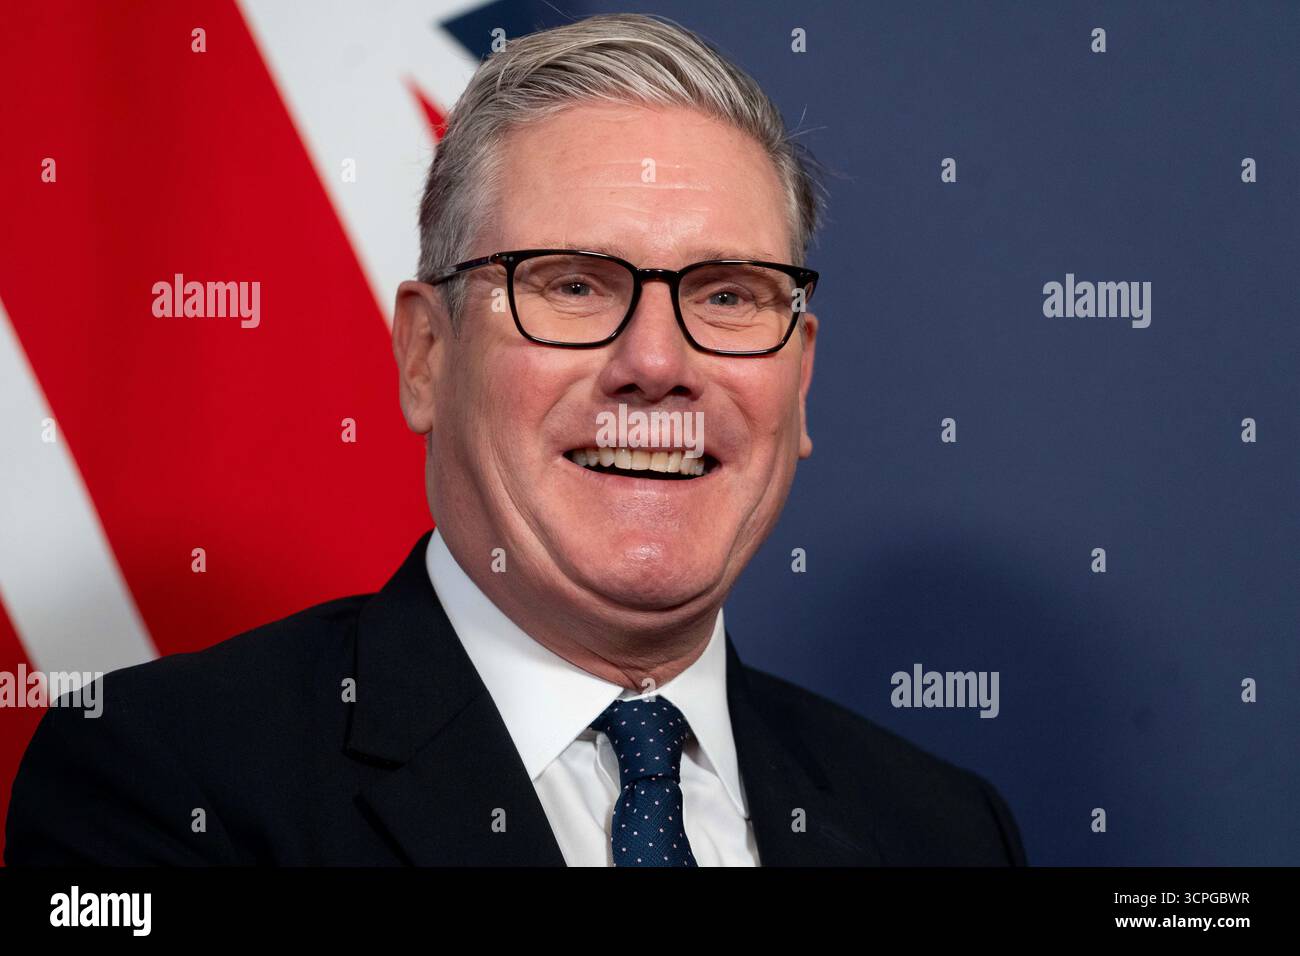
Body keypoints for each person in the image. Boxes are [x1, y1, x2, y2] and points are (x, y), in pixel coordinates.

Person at [5, 13, 1025, 866]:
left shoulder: (941, 830)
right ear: (426, 356)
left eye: (726, 294)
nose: (657, 360)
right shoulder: (167, 782)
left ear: (797, 380)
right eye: (574, 285)